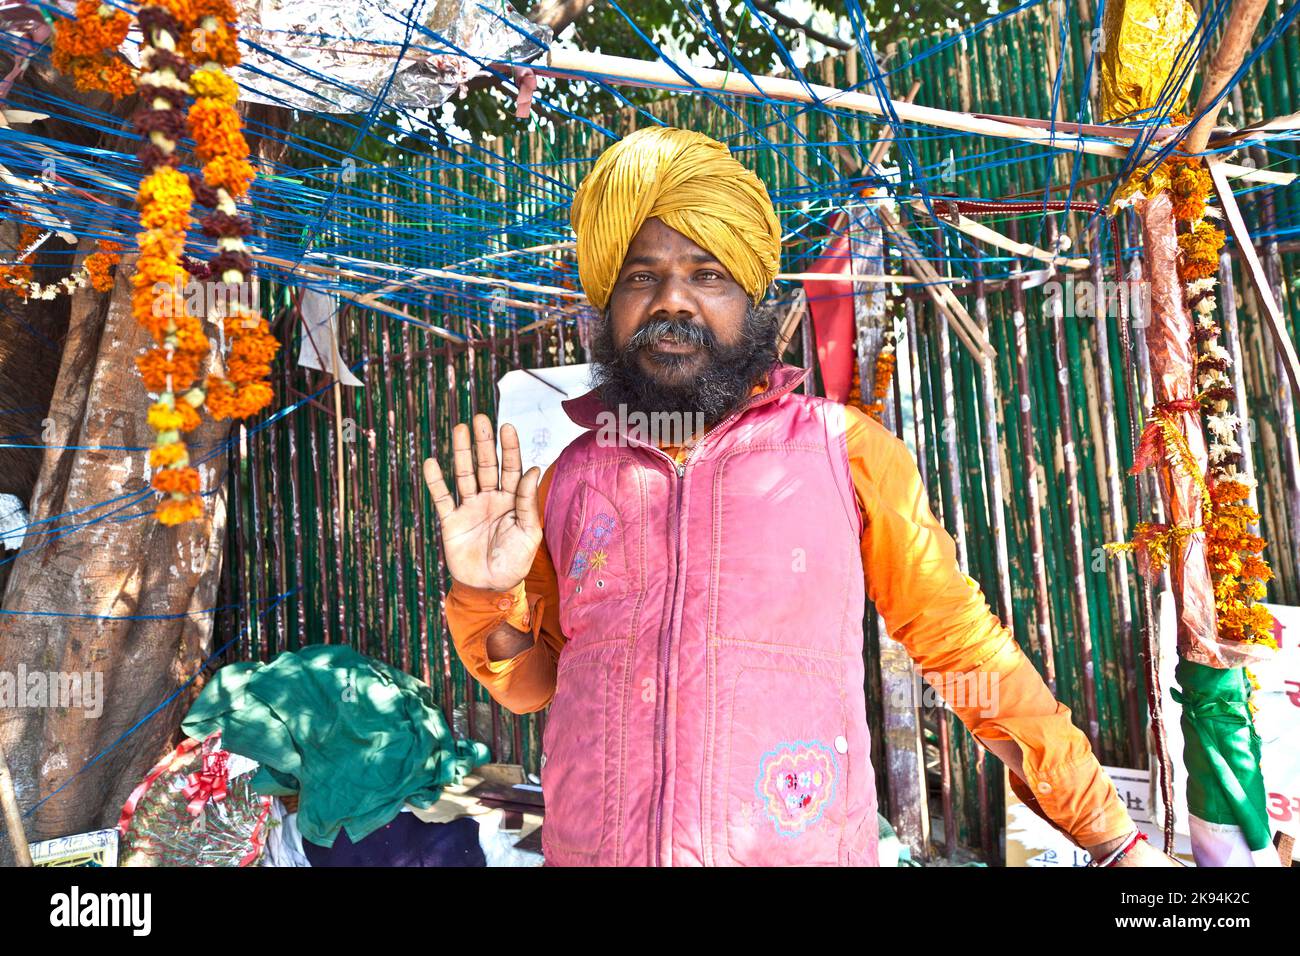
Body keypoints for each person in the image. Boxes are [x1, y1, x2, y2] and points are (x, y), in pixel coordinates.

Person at [423, 126, 1175, 867]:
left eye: (707, 274)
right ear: (607, 306)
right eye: (640, 277)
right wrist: (485, 596)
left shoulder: (839, 450)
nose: (672, 302)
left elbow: (959, 650)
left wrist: (1110, 838)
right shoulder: (569, 481)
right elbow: (531, 685)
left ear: (752, 299)